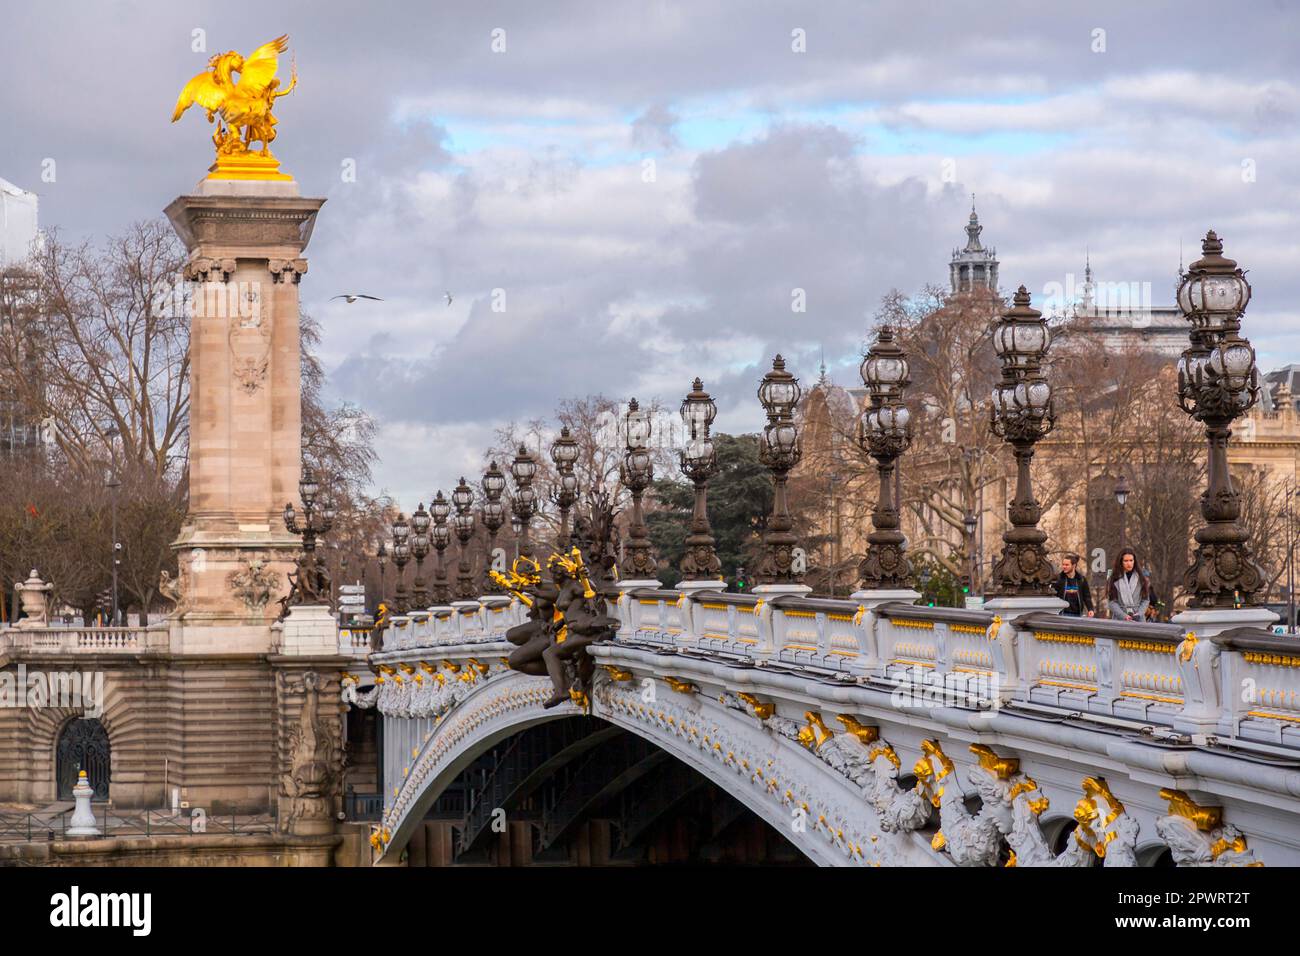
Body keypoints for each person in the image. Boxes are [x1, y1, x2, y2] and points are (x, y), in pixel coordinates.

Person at [1107, 548, 1150, 622]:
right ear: (1121, 562)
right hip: (1120, 618)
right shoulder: (1114, 578)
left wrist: (1139, 613)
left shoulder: (1141, 578)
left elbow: (1145, 600)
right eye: (1126, 561)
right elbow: (1112, 602)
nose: (1129, 563)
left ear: (1134, 561)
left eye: (1131, 560)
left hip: (1138, 618)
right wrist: (1123, 616)